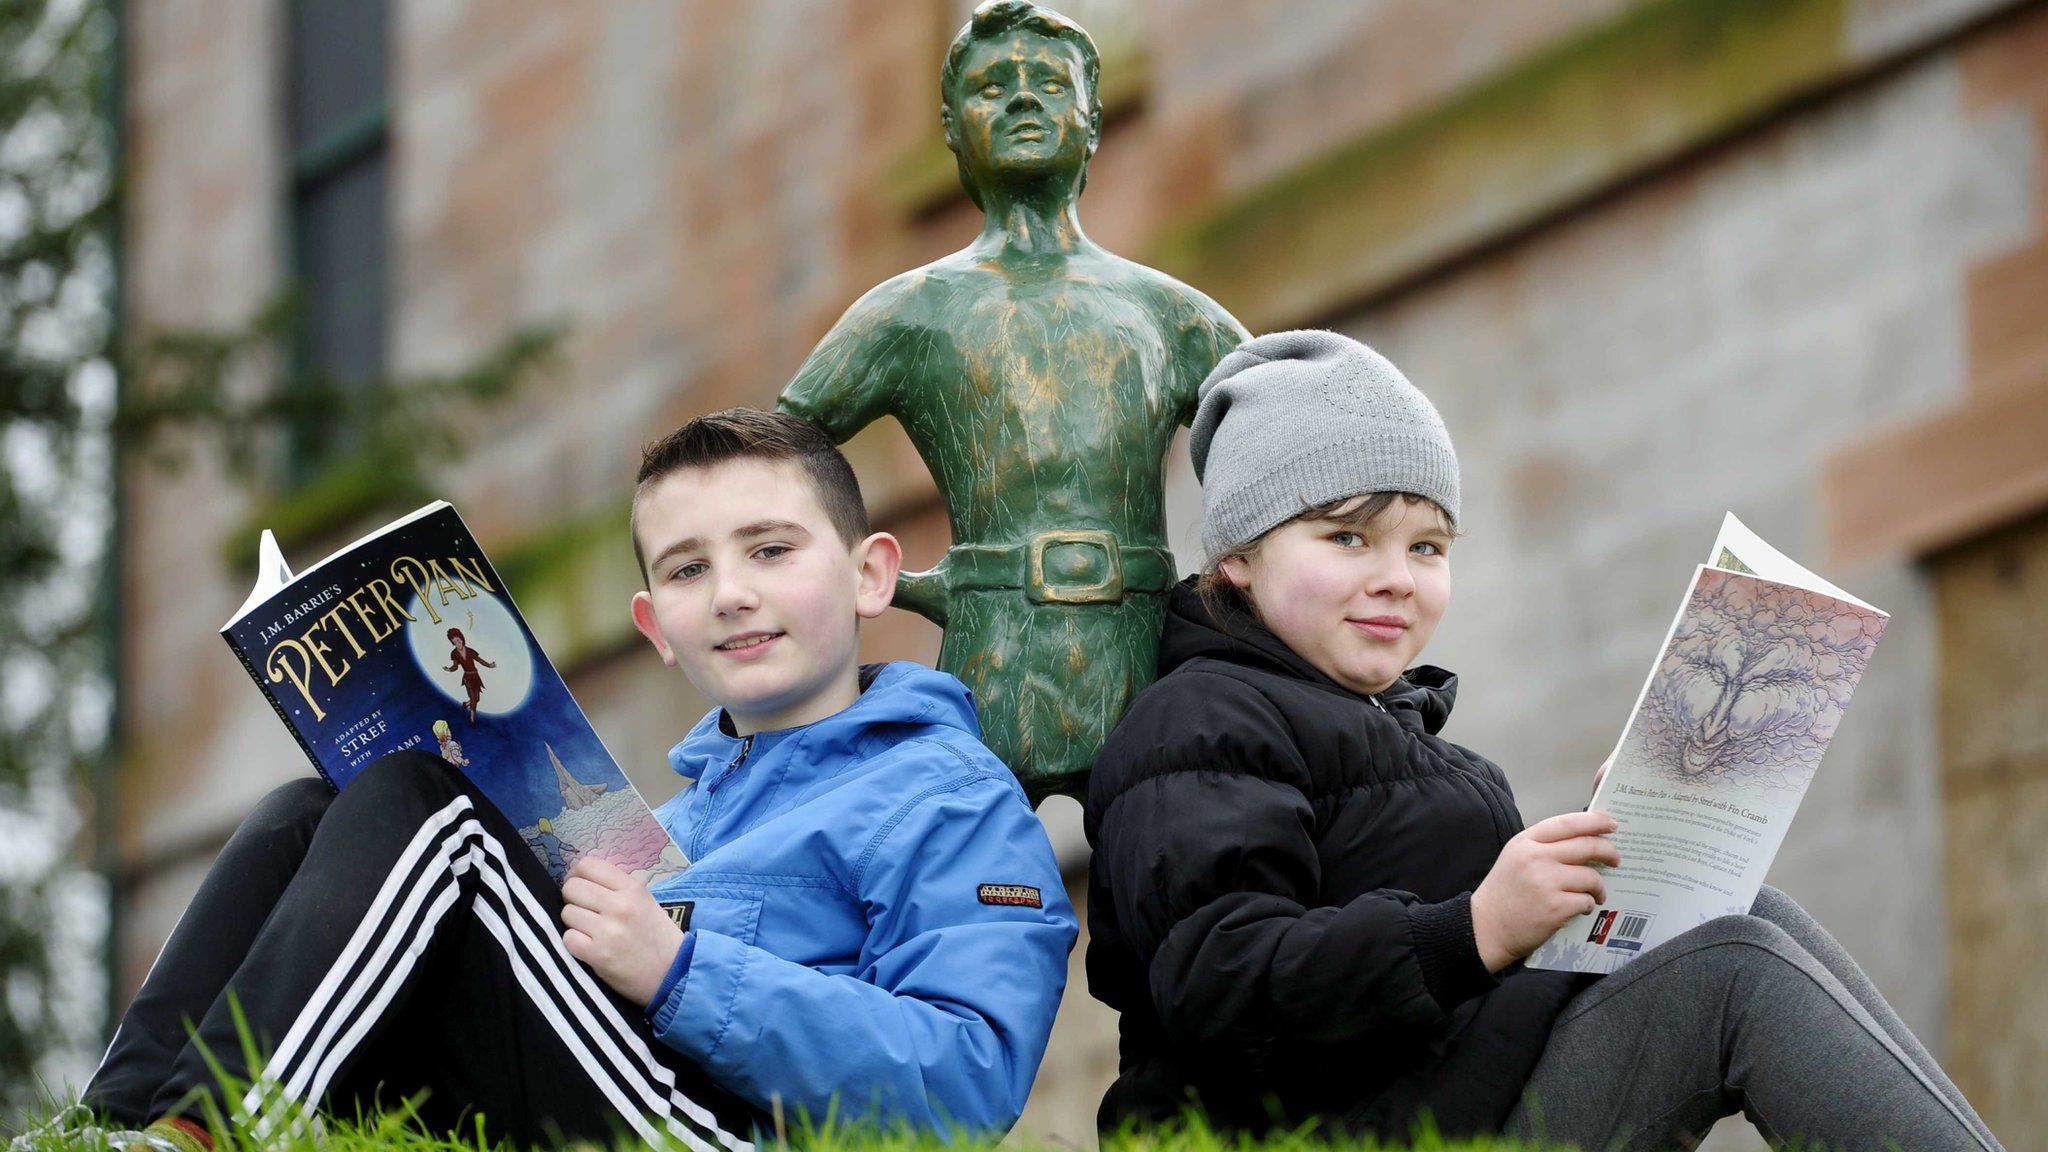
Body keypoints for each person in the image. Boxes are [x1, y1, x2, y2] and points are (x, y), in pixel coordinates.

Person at [42, 408, 1074, 1151]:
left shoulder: (943, 790)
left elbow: (967, 1080)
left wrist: (679, 972)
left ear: (870, 574)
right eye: (685, 570)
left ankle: (200, 1137)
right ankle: (110, 1127)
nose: (730, 595)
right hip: (574, 1083)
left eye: (769, 549)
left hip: (715, 1131)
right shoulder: (672, 820)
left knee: (422, 808)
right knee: (302, 814)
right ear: (652, 629)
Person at [1082, 330, 2003, 1151]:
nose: (1397, 578)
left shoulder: (1411, 741)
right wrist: (1474, 929)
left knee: (1745, 913)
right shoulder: (1197, 722)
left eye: (1428, 547)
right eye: (1348, 538)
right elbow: (1223, 983)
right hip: (1347, 1132)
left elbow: (1469, 953)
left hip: (1454, 1096)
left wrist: (1610, 841)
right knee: (1733, 966)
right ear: (1238, 555)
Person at [779, 0, 1246, 800]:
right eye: (993, 86)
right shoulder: (907, 312)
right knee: (981, 897)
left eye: (1049, 84)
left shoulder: (1176, 315)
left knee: (1165, 891)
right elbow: (775, 457)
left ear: (1093, 119)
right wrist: (880, 581)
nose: (1023, 99)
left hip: (1147, 663)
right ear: (952, 129)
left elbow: (1283, 456)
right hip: (990, 656)